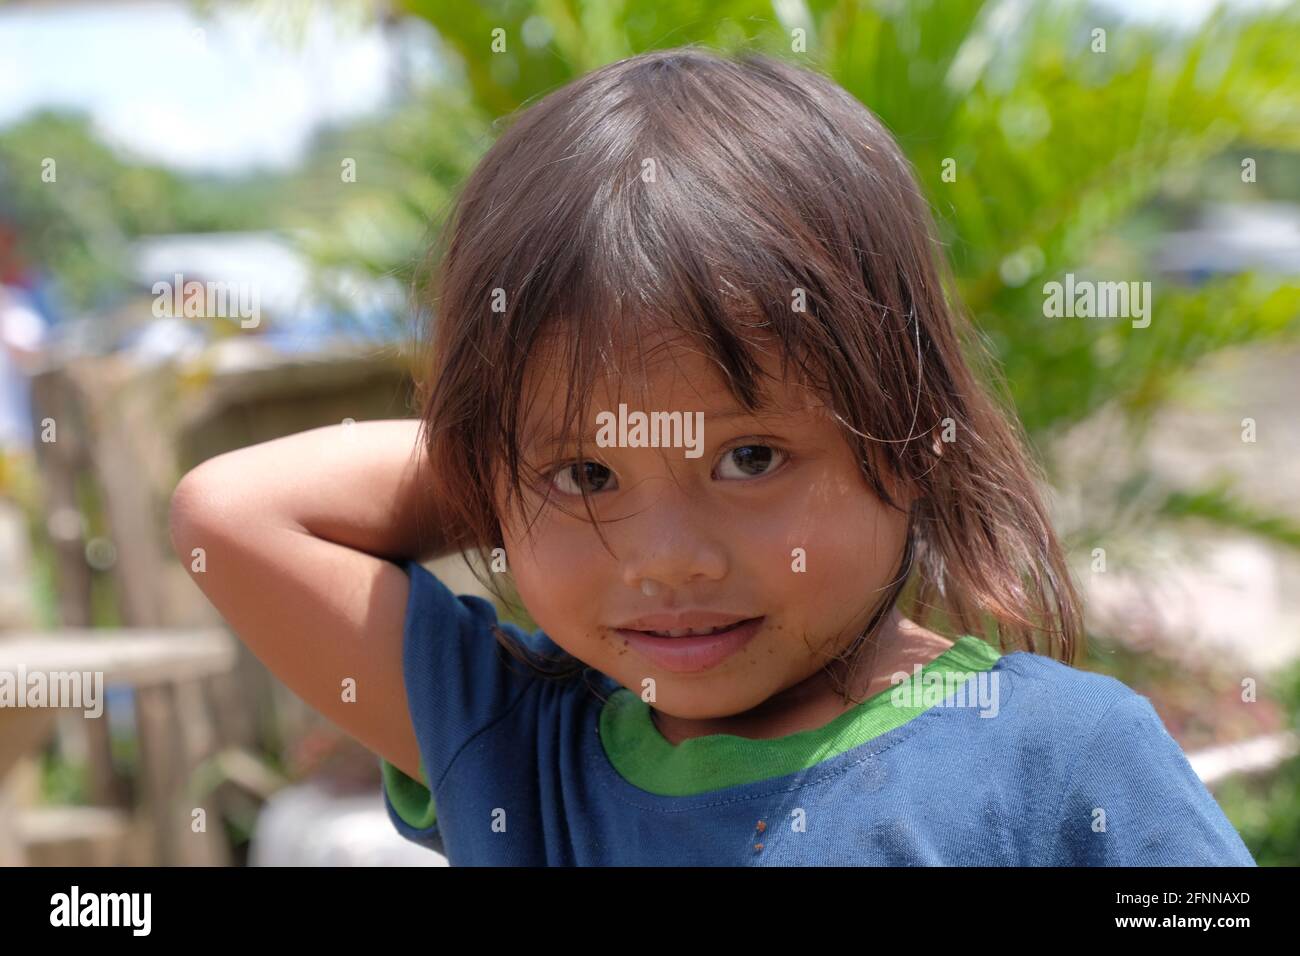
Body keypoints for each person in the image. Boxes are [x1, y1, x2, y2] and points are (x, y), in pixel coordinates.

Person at [168, 47, 1256, 866]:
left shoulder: (1059, 754)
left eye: (748, 456)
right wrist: (508, 460)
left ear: (912, 429)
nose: (668, 558)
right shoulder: (521, 751)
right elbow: (232, 515)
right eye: (590, 476)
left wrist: (555, 464)